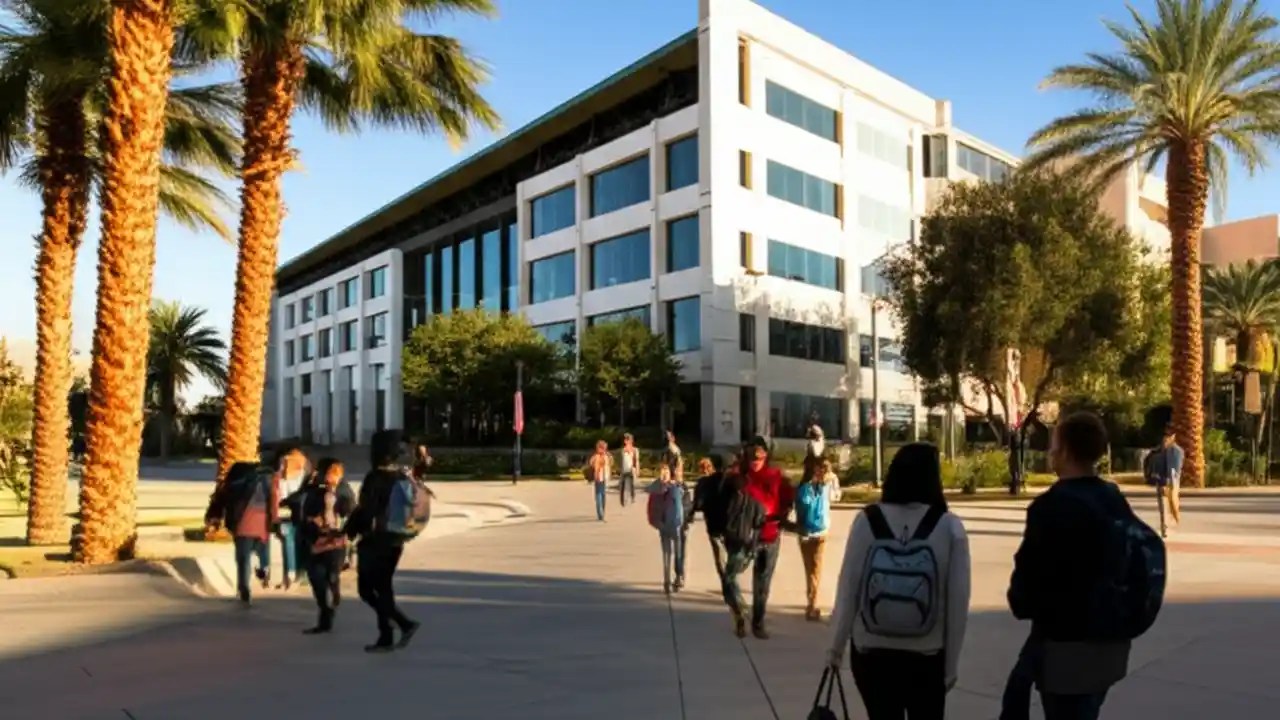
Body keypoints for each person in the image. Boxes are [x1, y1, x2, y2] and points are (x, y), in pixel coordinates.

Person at [1001, 412, 1138, 720]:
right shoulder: (1113, 498)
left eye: (1054, 445)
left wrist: (1021, 601)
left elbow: (1027, 582)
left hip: (1066, 648)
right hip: (1110, 641)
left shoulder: (1050, 507)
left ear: (1065, 451)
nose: (1050, 452)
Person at [826, 442, 971, 720]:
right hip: (926, 655)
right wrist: (951, 665)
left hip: (871, 652)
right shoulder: (949, 527)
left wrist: (835, 649)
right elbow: (958, 602)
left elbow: (848, 589)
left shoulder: (867, 520)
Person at [344, 430, 420, 653]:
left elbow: (366, 509)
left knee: (368, 590)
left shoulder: (375, 478)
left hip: (375, 540)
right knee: (383, 588)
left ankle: (398, 628)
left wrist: (349, 531)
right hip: (395, 539)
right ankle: (391, 631)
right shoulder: (401, 477)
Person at [723, 436, 793, 639]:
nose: (755, 459)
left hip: (769, 536)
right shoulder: (738, 476)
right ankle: (739, 611)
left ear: (766, 454)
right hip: (744, 537)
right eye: (752, 454)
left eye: (759, 454)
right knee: (729, 576)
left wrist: (785, 515)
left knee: (762, 584)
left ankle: (758, 623)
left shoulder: (775, 476)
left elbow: (785, 501)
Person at [205, 461, 278, 605]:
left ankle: (244, 588)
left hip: (241, 525)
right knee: (263, 552)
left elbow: (219, 501)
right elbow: (273, 501)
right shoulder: (265, 481)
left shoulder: (231, 484)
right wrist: (274, 520)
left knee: (243, 560)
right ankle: (264, 570)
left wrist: (214, 518)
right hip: (261, 524)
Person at [300, 458, 354, 634]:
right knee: (316, 579)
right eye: (326, 473)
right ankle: (325, 612)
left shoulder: (343, 490)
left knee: (331, 575)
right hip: (316, 540)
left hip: (335, 542)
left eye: (333, 473)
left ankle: (334, 589)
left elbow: (350, 511)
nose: (328, 477)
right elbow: (302, 508)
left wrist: (334, 493)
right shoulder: (312, 489)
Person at [794, 458, 841, 621]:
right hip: (818, 531)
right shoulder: (814, 486)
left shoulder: (803, 486)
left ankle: (811, 602)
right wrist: (831, 481)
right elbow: (836, 497)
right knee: (815, 570)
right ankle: (811, 605)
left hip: (807, 532)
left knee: (811, 570)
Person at [689, 455, 732, 584]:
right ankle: (730, 578)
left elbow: (698, 504)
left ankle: (726, 581)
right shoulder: (727, 480)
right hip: (728, 522)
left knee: (719, 554)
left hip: (713, 523)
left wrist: (691, 513)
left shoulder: (702, 483)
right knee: (730, 552)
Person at [272, 445, 309, 590]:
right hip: (286, 515)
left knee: (298, 543)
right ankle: (289, 575)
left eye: (284, 463)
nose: (281, 466)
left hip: (299, 514)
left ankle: (297, 573)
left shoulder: (303, 477)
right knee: (288, 541)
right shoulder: (280, 477)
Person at [649, 466, 686, 594]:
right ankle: (666, 580)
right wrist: (657, 522)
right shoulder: (657, 489)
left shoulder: (676, 488)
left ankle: (678, 575)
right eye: (662, 473)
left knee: (678, 553)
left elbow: (683, 505)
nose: (664, 475)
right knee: (666, 554)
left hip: (676, 525)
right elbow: (652, 507)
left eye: (666, 473)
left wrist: (682, 522)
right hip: (664, 525)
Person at [1144, 426, 1183, 537]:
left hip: (1172, 482)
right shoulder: (1156, 452)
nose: (1166, 439)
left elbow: (1177, 468)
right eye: (1165, 437)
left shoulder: (1177, 451)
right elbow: (1148, 463)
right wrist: (1151, 475)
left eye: (1168, 437)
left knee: (1173, 502)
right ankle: (1165, 527)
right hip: (1161, 480)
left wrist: (1172, 481)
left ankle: (1174, 521)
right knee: (1163, 505)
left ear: (1173, 437)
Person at [585, 440, 612, 521]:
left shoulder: (605, 456)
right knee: (600, 495)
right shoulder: (597, 456)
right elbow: (594, 466)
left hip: (604, 477)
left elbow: (610, 464)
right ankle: (600, 513)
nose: (604, 449)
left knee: (602, 495)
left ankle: (601, 512)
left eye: (605, 448)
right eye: (603, 448)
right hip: (600, 477)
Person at [619, 433, 640, 507]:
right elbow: (621, 461)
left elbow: (636, 460)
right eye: (626, 440)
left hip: (631, 469)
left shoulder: (635, 450)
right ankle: (622, 501)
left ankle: (633, 497)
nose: (626, 441)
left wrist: (637, 469)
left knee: (632, 484)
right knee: (622, 484)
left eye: (628, 439)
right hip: (624, 469)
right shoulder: (623, 450)